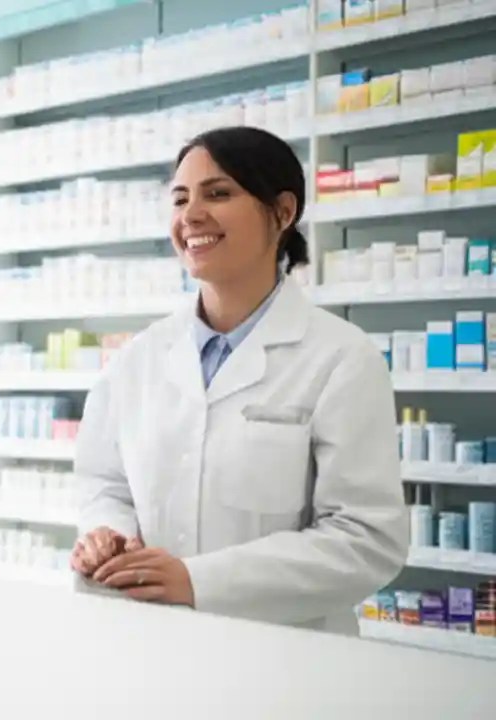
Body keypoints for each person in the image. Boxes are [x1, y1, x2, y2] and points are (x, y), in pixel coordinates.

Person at [69, 125, 408, 635]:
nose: (191, 216)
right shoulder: (137, 359)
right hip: (151, 643)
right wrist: (108, 536)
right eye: (180, 198)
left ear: (283, 211)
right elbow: (105, 483)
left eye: (219, 193)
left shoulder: (341, 358)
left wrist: (197, 581)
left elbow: (365, 538)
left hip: (287, 664)